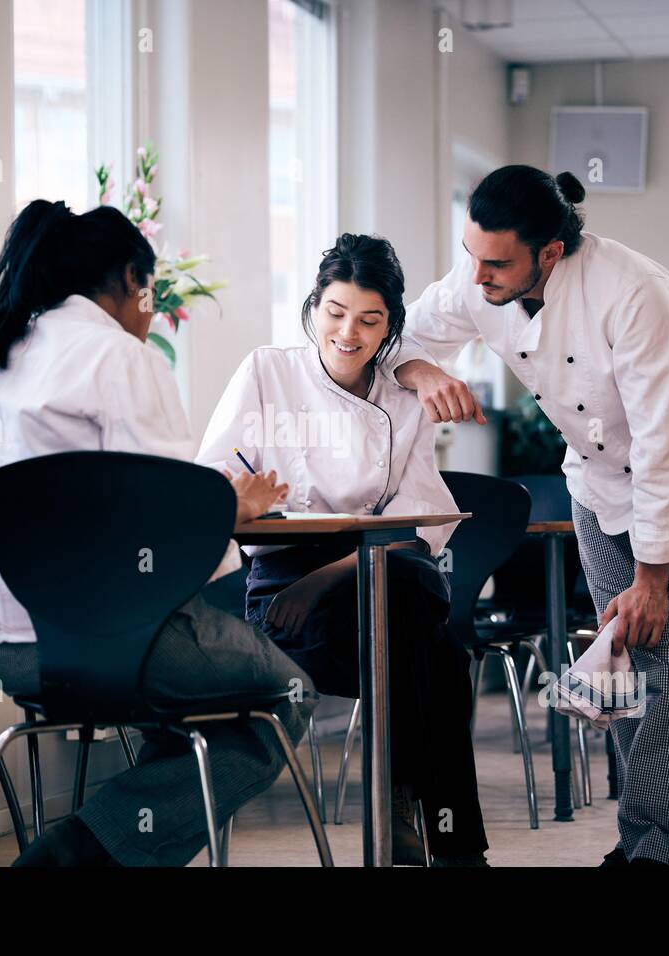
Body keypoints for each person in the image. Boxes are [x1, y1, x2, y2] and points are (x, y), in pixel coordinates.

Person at [387, 166, 669, 868]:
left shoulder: (633, 294)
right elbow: (401, 339)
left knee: (664, 645)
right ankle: (641, 839)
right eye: (471, 254)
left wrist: (652, 577)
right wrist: (425, 372)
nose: (477, 274)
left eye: (496, 261)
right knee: (616, 648)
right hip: (594, 478)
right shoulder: (476, 281)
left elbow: (667, 441)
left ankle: (660, 851)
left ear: (549, 252)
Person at [0, 200, 314, 867]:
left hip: (9, 651)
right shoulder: (120, 360)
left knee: (195, 712)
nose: (153, 311)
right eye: (152, 292)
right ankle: (78, 854)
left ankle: (100, 850)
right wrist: (232, 511)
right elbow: (162, 525)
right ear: (128, 280)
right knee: (285, 696)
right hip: (124, 647)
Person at [197, 234, 489, 867]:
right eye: (335, 311)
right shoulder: (267, 372)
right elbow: (212, 484)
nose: (349, 332)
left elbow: (420, 524)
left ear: (392, 325)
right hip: (285, 595)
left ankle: (410, 823)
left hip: (370, 577)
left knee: (409, 589)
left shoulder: (404, 398)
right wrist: (293, 568)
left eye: (369, 318)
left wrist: (325, 578)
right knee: (438, 655)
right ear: (314, 305)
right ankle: (437, 835)